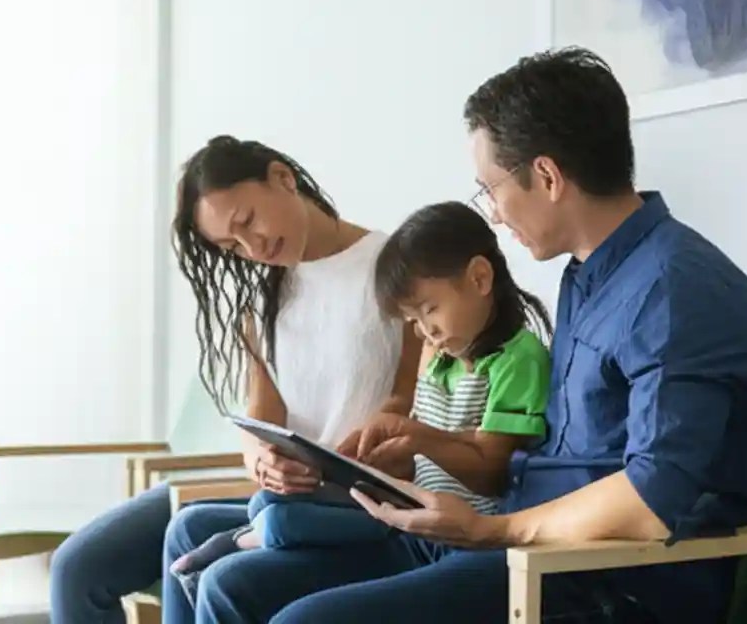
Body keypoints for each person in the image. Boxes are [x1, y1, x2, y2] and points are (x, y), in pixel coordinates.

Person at [162, 47, 747, 624]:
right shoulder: (589, 278)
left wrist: (490, 531)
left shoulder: (673, 289)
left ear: (546, 177)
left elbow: (650, 502)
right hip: (513, 542)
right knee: (237, 588)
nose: (491, 211)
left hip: (602, 580)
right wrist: (433, 465)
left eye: (491, 188)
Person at [49, 135, 421, 623]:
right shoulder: (265, 298)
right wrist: (263, 460)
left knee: (196, 536)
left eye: (247, 221)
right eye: (232, 245)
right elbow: (259, 418)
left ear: (282, 179)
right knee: (76, 567)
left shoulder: (398, 267)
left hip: (347, 504)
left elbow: (410, 401)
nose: (253, 247)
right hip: (278, 495)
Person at [166, 201, 552, 602]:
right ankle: (250, 535)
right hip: (408, 516)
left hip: (451, 533)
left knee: (278, 521)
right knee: (269, 502)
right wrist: (384, 460)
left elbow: (491, 473)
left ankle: (249, 537)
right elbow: (428, 457)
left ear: (480, 278)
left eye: (430, 310)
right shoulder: (442, 357)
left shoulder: (519, 359)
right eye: (413, 321)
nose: (424, 331)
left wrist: (417, 438)